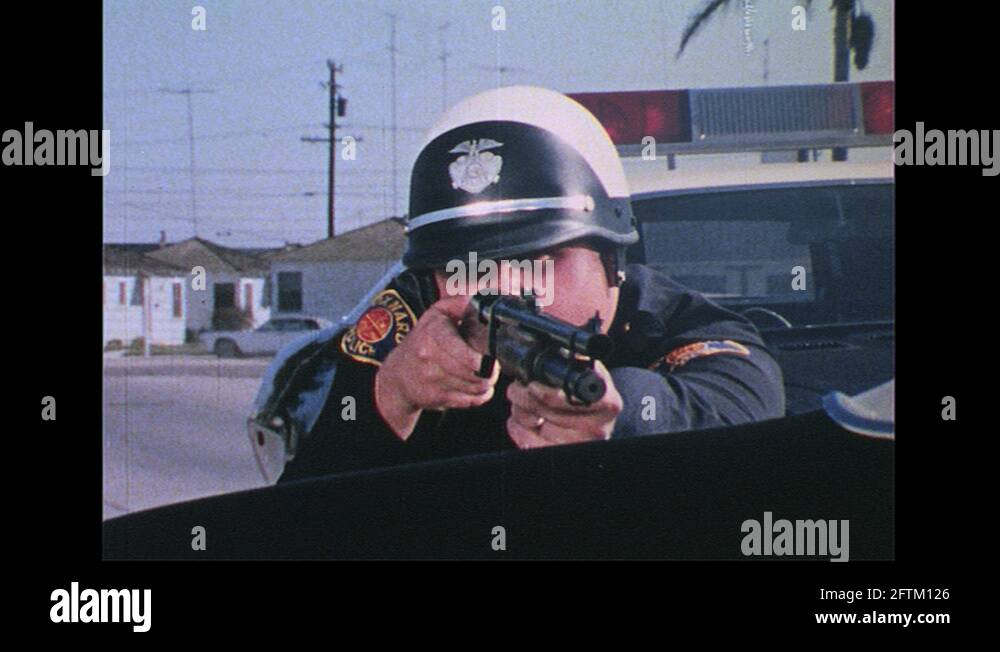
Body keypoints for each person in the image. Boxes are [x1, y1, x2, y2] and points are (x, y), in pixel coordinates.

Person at [250, 86, 785, 483]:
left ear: (612, 256)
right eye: (469, 264)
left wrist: (622, 414)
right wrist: (390, 396)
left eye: (541, 258)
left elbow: (744, 402)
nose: (504, 284)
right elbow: (308, 494)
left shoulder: (671, 323)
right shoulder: (415, 318)